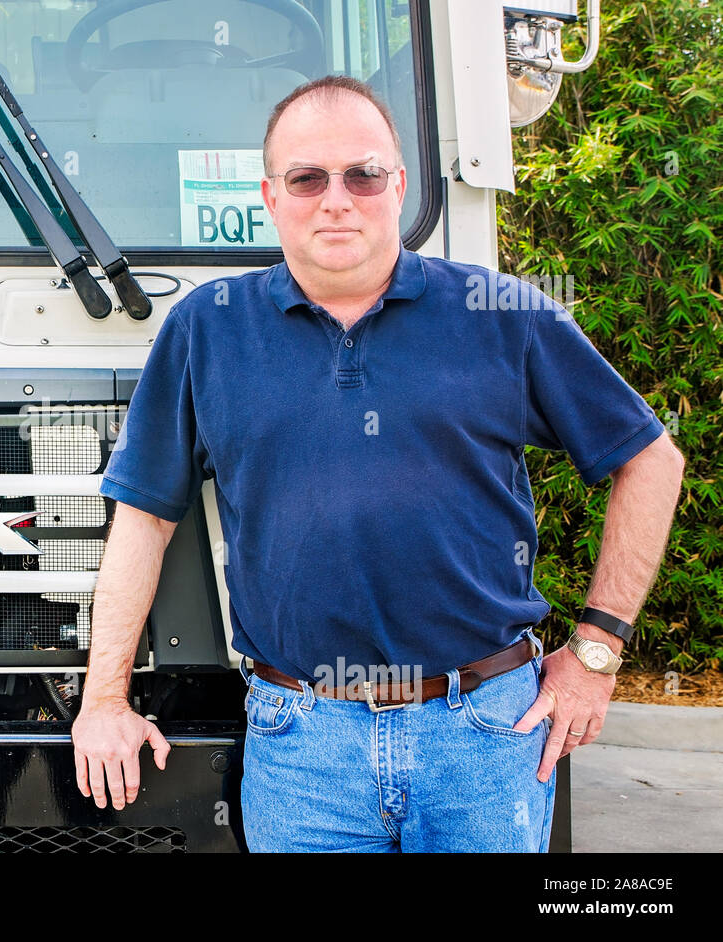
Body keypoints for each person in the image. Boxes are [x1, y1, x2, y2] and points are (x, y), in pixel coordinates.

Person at [70, 75, 685, 852]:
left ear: (399, 184)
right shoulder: (206, 331)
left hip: (485, 735)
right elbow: (144, 518)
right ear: (270, 193)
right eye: (307, 178)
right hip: (301, 746)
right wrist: (103, 700)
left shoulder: (502, 316)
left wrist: (597, 652)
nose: (337, 200)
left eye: (362, 174)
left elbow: (651, 460)